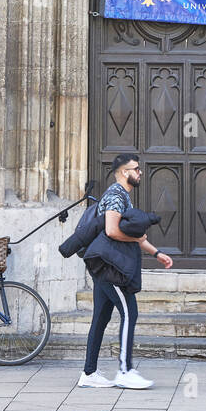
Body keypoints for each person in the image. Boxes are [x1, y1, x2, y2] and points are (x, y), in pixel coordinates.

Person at [78, 153, 173, 389]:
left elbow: (133, 234)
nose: (140, 173)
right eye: (136, 169)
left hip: (105, 265)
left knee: (100, 318)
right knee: (130, 312)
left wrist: (156, 253)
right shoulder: (115, 196)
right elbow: (112, 230)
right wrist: (139, 240)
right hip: (111, 268)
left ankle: (89, 374)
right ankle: (124, 370)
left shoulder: (122, 197)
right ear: (124, 172)